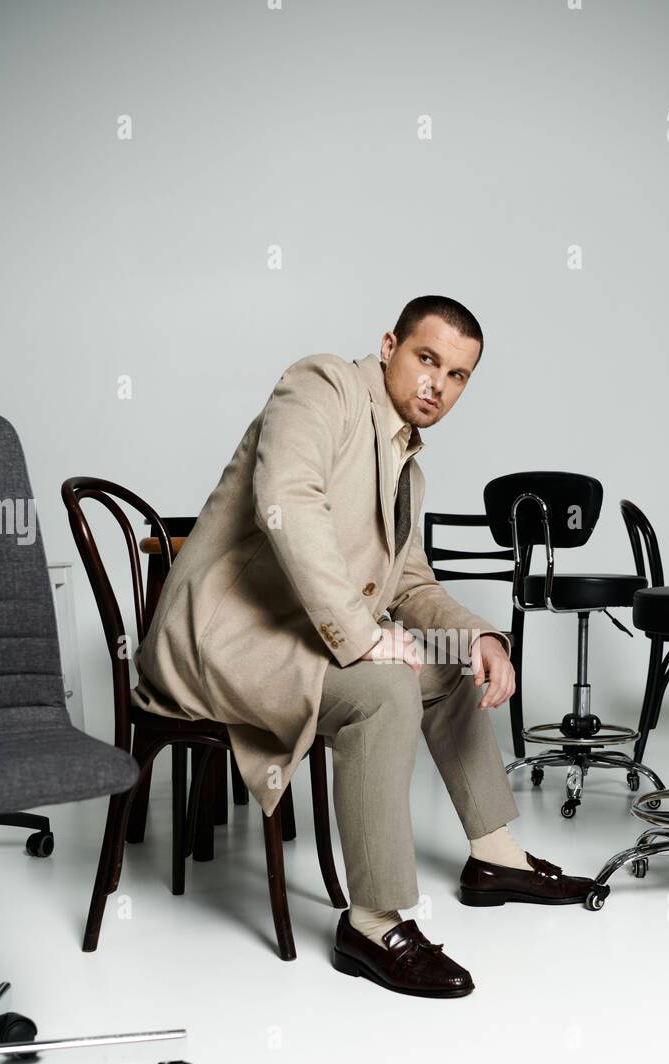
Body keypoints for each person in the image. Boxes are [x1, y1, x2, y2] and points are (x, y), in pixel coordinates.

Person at [132, 295, 594, 999]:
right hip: (222, 644)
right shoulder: (320, 387)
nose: (437, 384)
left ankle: (494, 857)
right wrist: (366, 637)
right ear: (389, 346)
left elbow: (412, 583)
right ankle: (373, 922)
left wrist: (481, 638)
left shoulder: (408, 466)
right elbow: (289, 499)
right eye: (426, 359)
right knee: (385, 687)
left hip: (301, 643)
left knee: (448, 665)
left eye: (459, 375)